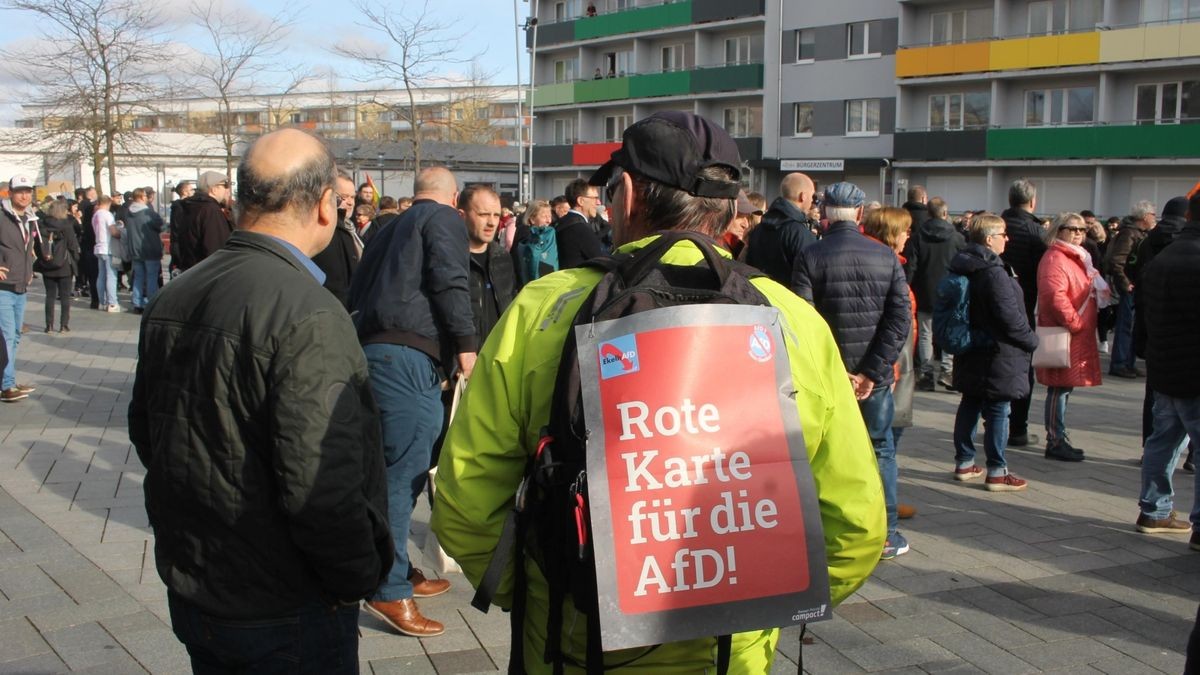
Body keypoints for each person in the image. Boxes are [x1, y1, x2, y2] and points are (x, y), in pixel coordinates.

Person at [432, 110, 884, 673]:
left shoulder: (542, 310)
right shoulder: (793, 321)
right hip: (730, 656)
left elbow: (465, 501)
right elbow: (857, 525)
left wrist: (543, 594)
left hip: (575, 648)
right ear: (728, 210)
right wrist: (762, 612)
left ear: (624, 193)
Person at [128, 128, 392, 672]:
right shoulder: (310, 313)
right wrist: (357, 576)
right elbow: (322, 484)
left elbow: (150, 434)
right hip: (283, 602)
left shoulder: (176, 292)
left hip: (203, 580)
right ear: (326, 206)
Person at [347, 166, 477, 638]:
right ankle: (389, 587)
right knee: (402, 475)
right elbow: (449, 280)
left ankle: (397, 568)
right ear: (453, 198)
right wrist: (466, 346)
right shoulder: (441, 219)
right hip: (407, 358)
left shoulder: (387, 228)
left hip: (375, 353)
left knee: (393, 470)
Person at [792, 181, 912, 559]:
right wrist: (872, 372)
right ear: (860, 214)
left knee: (827, 451)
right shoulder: (885, 256)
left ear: (826, 213)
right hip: (874, 377)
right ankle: (887, 533)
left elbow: (804, 318)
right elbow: (899, 318)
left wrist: (839, 369)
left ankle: (830, 533)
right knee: (881, 450)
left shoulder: (811, 255)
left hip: (831, 376)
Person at [948, 214, 1038, 489]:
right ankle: (997, 470)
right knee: (999, 408)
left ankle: (964, 462)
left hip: (972, 345)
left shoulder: (963, 263)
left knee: (970, 402)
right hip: (999, 350)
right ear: (989, 239)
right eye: (1002, 235)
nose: (1007, 239)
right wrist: (1031, 340)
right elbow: (1009, 316)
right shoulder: (993, 271)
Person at [1135, 192, 1200, 536]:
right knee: (1168, 442)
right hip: (1192, 371)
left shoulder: (1163, 255)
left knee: (1162, 442)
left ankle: (1154, 510)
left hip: (1164, 366)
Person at [862, 206, 919, 520]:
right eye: (905, 230)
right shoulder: (885, 265)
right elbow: (893, 323)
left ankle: (886, 502)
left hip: (892, 361)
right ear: (892, 232)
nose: (908, 236)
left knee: (885, 438)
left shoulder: (889, 262)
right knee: (884, 441)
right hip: (888, 365)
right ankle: (885, 511)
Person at [1036, 212, 1105, 462]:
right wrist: (1076, 323)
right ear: (1058, 230)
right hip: (1065, 332)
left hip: (1073, 333)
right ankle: (1055, 440)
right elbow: (1054, 296)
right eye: (1073, 228)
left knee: (1064, 387)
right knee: (1059, 387)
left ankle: (1058, 437)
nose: (1078, 233)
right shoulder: (1056, 258)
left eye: (1082, 229)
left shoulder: (1077, 257)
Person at [999, 179, 1047, 447]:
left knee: (994, 363)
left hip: (993, 304)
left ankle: (995, 423)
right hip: (1024, 306)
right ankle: (1018, 428)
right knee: (1021, 367)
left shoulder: (997, 224)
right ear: (1032, 201)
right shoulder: (1036, 232)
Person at [906, 196, 966, 392]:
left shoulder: (918, 237)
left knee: (926, 334)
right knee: (950, 332)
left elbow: (911, 267)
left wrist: (907, 287)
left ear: (929, 213)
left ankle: (926, 374)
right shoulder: (957, 238)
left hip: (924, 291)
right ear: (945, 213)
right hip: (951, 290)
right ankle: (947, 372)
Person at [1104, 200, 1156, 378]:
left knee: (1132, 326)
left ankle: (1128, 362)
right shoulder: (1129, 234)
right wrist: (1125, 282)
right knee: (1126, 325)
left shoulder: (1136, 233)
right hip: (1130, 286)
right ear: (1144, 216)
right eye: (1153, 214)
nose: (1154, 218)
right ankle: (1120, 363)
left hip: (1134, 285)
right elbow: (1117, 261)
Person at [0, 175, 40, 402]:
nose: (24, 196)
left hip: (21, 284)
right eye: (19, 191)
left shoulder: (29, 217)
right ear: (10, 193)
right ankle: (6, 385)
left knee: (15, 335)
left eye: (27, 191)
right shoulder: (2, 216)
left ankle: (9, 380)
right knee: (6, 336)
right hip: (3, 285)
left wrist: (29, 270)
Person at [460, 184, 515, 341]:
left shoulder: (503, 258)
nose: (491, 222)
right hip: (464, 353)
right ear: (462, 215)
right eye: (483, 214)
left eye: (496, 215)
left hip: (499, 349)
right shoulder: (450, 259)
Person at [745, 172, 817, 285]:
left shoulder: (758, 229)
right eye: (812, 196)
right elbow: (811, 275)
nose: (813, 200)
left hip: (756, 293)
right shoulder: (799, 233)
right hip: (790, 294)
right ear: (803, 196)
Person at [311, 173, 363, 308]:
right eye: (344, 197)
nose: (350, 202)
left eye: (353, 197)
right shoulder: (326, 229)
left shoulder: (349, 227)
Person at [33, 200, 80, 333]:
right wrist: (75, 260)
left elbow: (37, 246)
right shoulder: (66, 225)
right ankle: (64, 325)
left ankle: (49, 325)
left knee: (50, 296)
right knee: (65, 297)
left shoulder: (42, 224)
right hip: (64, 265)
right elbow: (72, 245)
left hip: (47, 265)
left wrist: (44, 258)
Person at [172, 171, 234, 271]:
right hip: (209, 272)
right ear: (214, 189)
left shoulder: (192, 206)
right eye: (225, 185)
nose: (227, 190)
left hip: (193, 270)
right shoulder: (210, 210)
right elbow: (215, 248)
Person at [123, 188, 165, 313]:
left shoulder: (128, 213)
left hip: (134, 249)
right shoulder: (149, 213)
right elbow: (161, 226)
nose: (147, 198)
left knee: (138, 277)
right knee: (151, 277)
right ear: (142, 197)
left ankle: (137, 303)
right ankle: (151, 303)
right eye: (146, 196)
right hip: (150, 248)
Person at [555, 178, 605, 269]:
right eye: (595, 198)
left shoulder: (561, 223)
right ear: (581, 201)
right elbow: (601, 263)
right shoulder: (581, 229)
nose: (598, 202)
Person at [91, 196, 121, 312]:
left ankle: (102, 302)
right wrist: (120, 231)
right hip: (108, 248)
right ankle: (112, 303)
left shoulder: (95, 215)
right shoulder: (108, 215)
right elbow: (113, 232)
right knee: (111, 276)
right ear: (109, 203)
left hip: (98, 247)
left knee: (101, 276)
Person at [719, 190, 762, 258]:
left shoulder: (740, 249)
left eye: (748, 217)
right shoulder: (713, 251)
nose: (746, 225)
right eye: (739, 216)